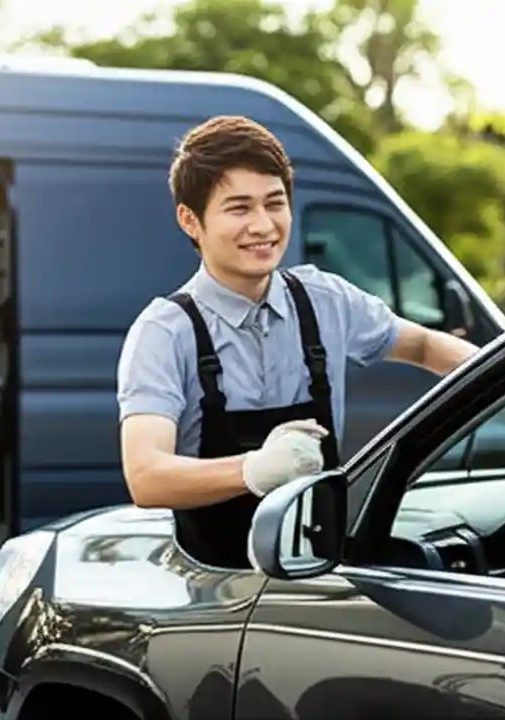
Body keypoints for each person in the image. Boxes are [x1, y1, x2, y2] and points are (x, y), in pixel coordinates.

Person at [117, 115, 477, 568]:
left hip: (320, 580)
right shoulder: (166, 332)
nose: (264, 225)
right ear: (191, 220)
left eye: (275, 203)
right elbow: (146, 476)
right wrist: (252, 470)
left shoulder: (325, 299)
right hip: (217, 592)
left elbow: (424, 346)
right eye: (240, 208)